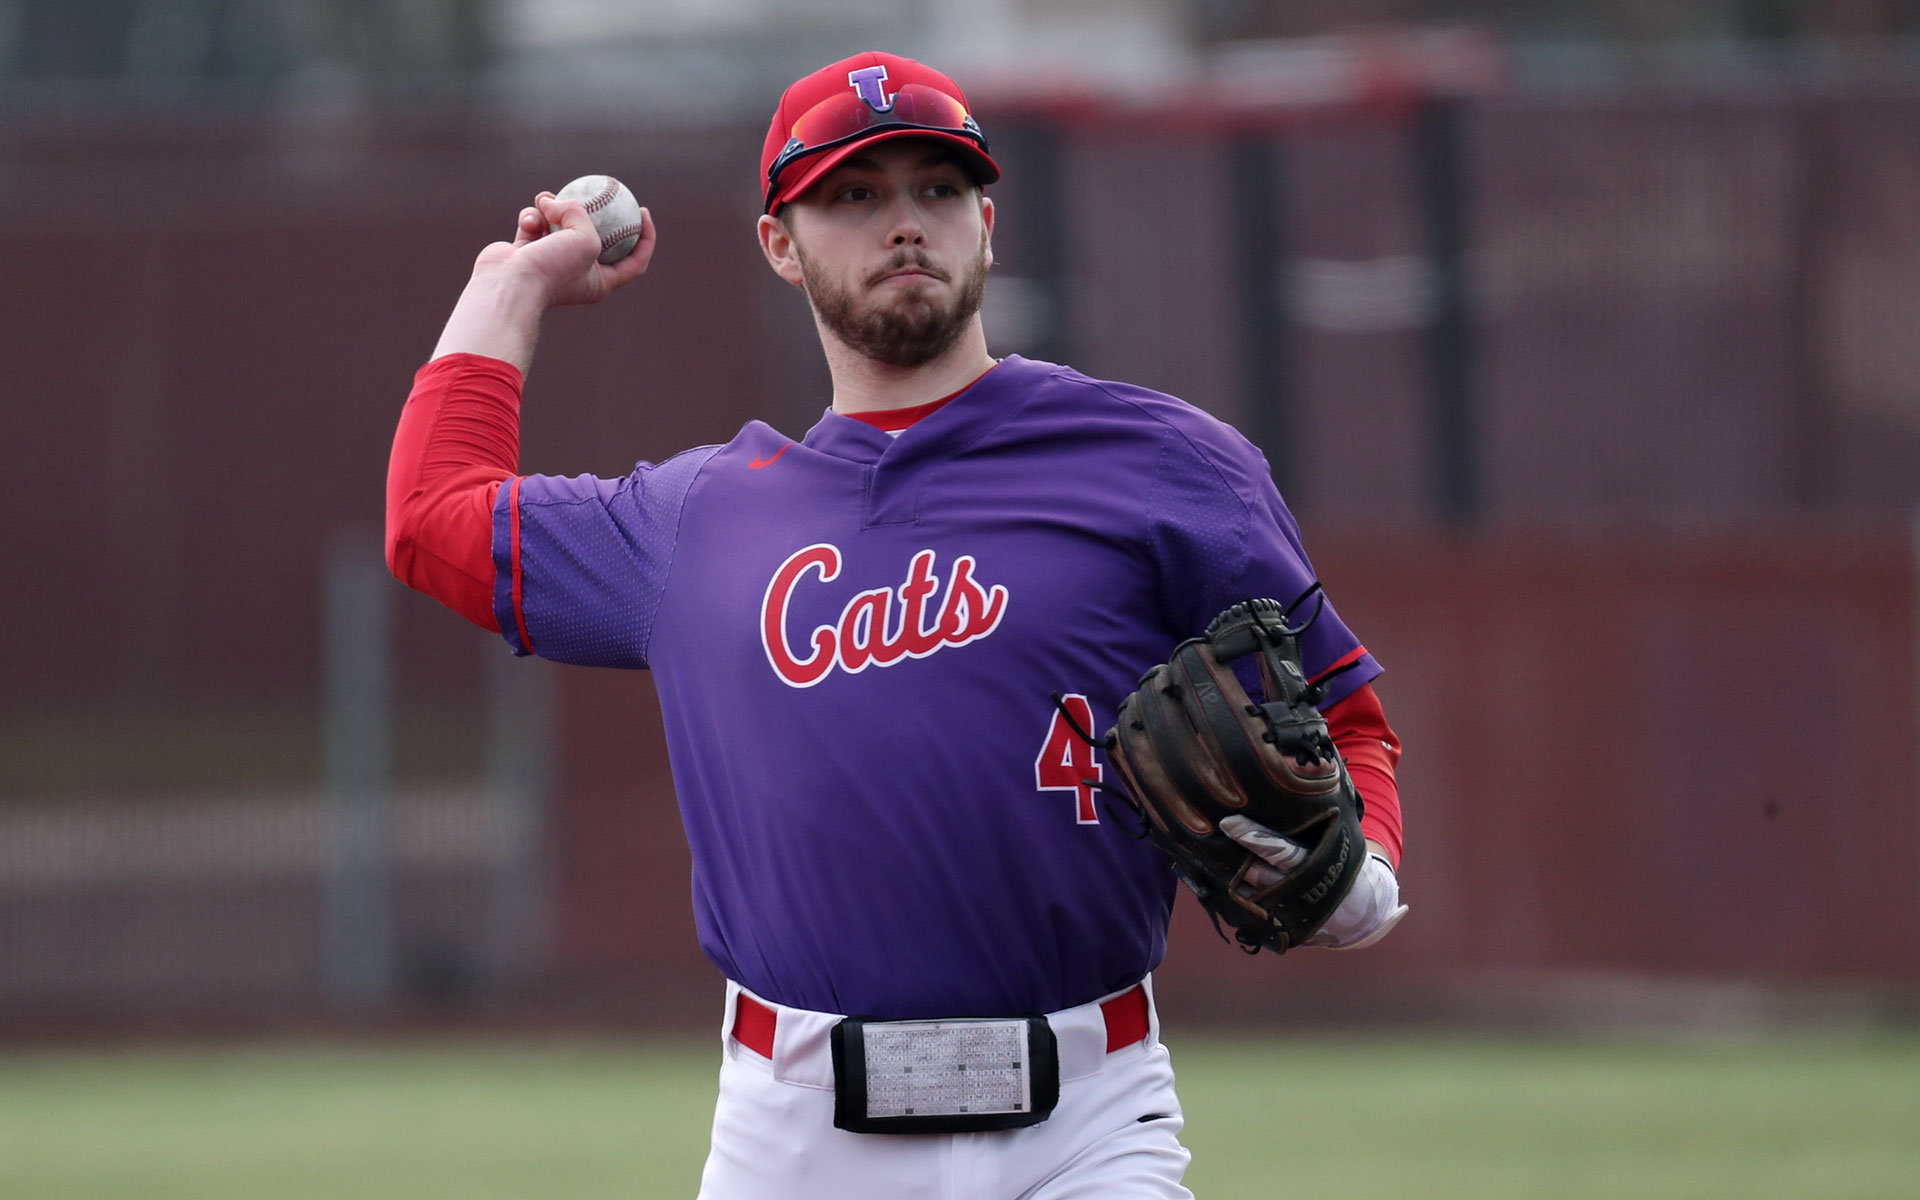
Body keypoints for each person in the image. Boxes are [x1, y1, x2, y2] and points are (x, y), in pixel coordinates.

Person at [387, 49, 1406, 1200]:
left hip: (1091, 1115)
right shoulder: (697, 522)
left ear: (987, 221)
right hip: (794, 1136)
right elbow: (434, 522)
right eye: (853, 196)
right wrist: (510, 289)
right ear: (781, 242)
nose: (903, 225)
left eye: (937, 188)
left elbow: (1341, 716)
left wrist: (1360, 872)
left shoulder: (1163, 465)